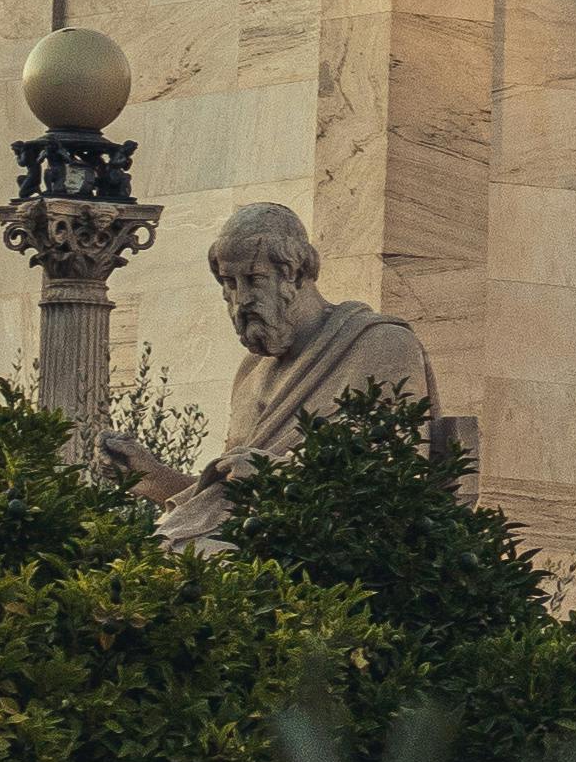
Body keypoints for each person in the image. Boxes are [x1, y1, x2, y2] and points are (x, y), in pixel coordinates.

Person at [151, 204, 436, 546]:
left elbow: (398, 477)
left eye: (254, 279)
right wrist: (149, 475)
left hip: (332, 551)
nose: (240, 300)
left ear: (297, 274)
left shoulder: (380, 344)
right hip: (252, 540)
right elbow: (220, 501)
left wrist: (277, 475)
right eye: (229, 283)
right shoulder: (252, 369)